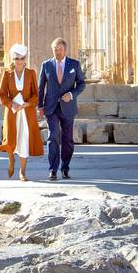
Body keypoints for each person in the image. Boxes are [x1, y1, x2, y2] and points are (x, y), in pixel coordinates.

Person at [38, 37, 85, 180]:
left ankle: (65, 168)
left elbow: (81, 84)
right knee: (53, 137)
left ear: (65, 50)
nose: (57, 52)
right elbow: (41, 88)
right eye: (55, 50)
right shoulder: (46, 65)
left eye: (60, 49)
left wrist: (71, 94)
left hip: (68, 108)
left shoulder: (74, 64)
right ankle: (52, 170)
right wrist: (40, 106)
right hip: (51, 108)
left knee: (68, 140)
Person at [0, 44, 43, 181]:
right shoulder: (7, 74)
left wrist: (28, 103)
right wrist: (12, 104)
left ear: (25, 59)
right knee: (11, 139)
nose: (19, 61)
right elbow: (1, 94)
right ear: (13, 59)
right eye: (16, 58)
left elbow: (36, 94)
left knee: (24, 140)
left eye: (22, 58)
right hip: (12, 113)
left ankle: (22, 172)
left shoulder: (31, 73)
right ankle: (11, 160)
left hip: (26, 113)